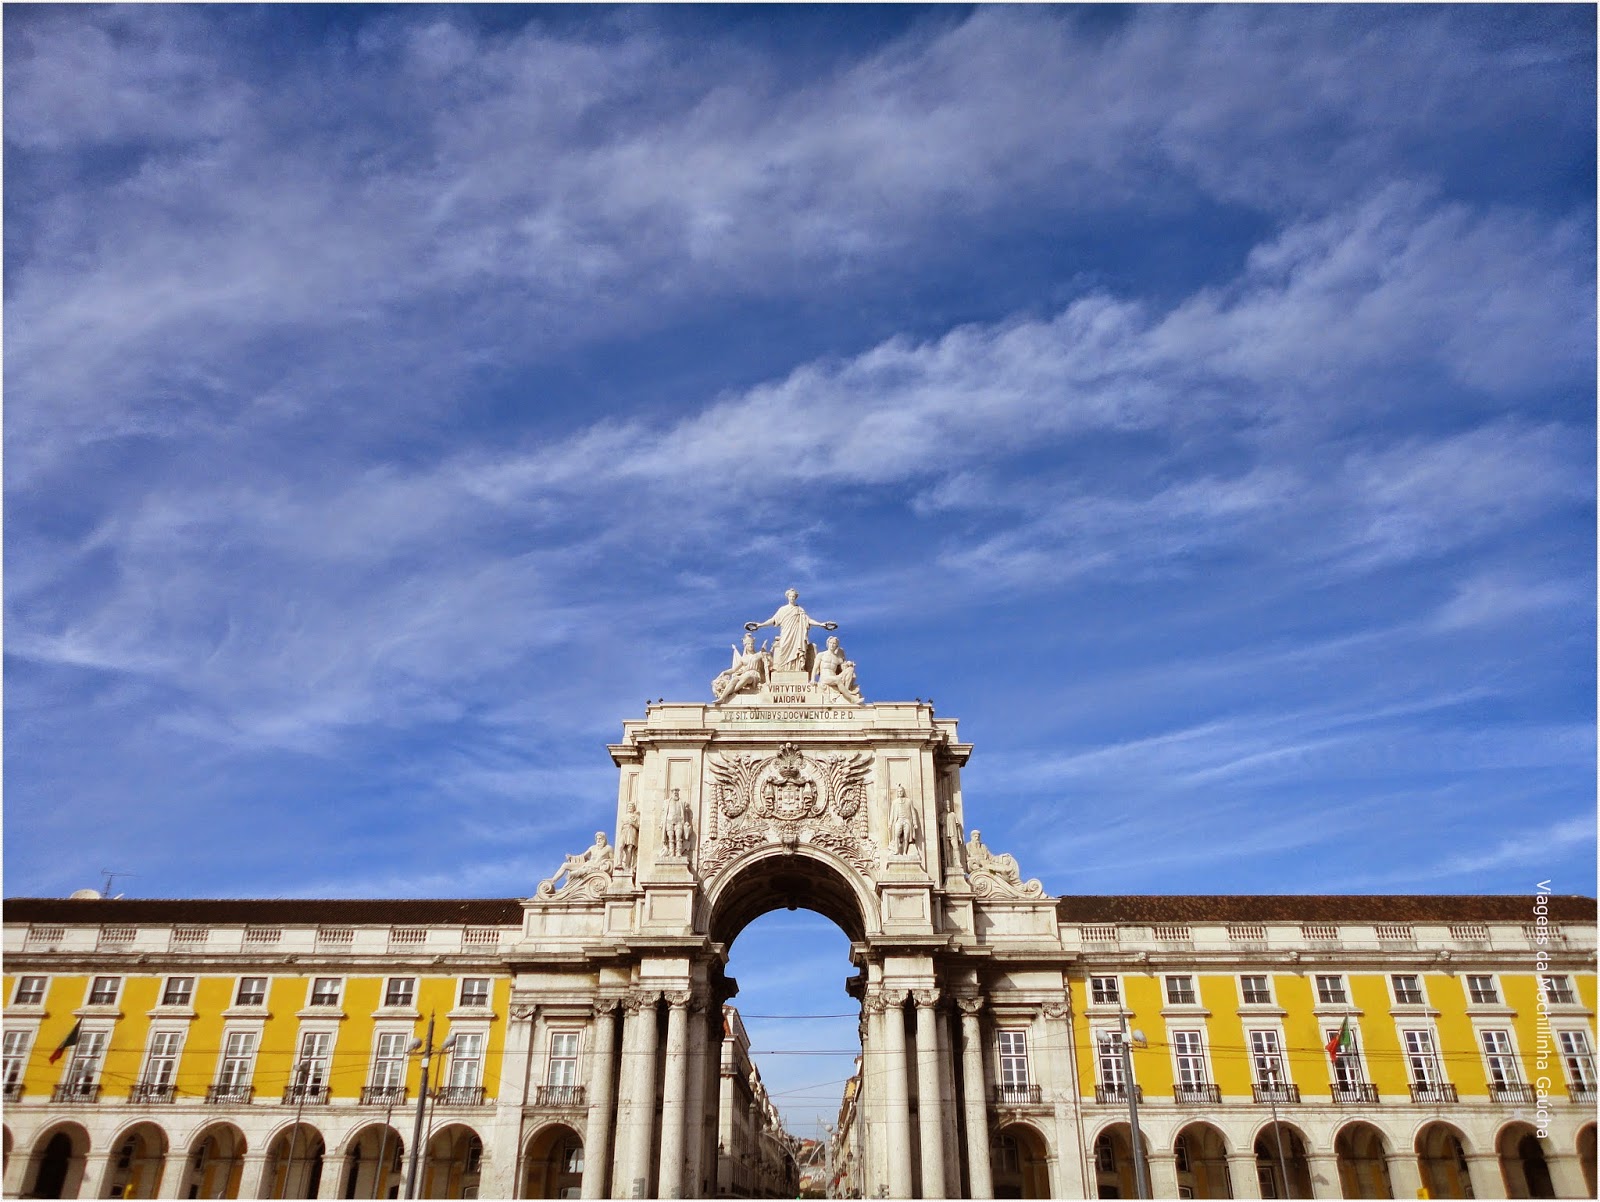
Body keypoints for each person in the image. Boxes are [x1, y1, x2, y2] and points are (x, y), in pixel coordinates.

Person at [746, 588, 836, 674]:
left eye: (793, 596)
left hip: (797, 635)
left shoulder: (799, 610)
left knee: (797, 650)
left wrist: (820, 624)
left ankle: (797, 669)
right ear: (787, 597)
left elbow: (808, 620)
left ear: (795, 597)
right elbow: (773, 620)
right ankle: (782, 669)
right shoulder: (783, 609)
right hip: (786, 633)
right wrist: (760, 625)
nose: (792, 598)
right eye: (790, 596)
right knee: (783, 649)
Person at [712, 633, 771, 703]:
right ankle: (722, 698)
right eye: (748, 644)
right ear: (745, 646)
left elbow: (768, 660)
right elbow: (734, 670)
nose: (751, 645)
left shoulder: (758, 655)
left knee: (747, 677)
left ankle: (730, 692)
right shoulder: (743, 659)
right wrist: (724, 672)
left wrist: (766, 655)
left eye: (752, 644)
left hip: (755, 676)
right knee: (734, 679)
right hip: (745, 675)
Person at [812, 636, 862, 703]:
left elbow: (843, 669)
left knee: (850, 670)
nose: (832, 645)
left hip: (834, 677)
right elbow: (815, 668)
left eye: (834, 643)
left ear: (836, 646)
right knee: (837, 680)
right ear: (827, 643)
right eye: (830, 643)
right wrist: (812, 679)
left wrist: (849, 664)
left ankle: (846, 690)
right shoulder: (821, 655)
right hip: (825, 678)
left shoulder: (838, 658)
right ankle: (852, 699)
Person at [888, 785, 918, 856]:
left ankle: (905, 852)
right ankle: (897, 850)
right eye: (898, 791)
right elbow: (892, 813)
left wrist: (915, 823)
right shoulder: (894, 802)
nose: (900, 792)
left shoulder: (909, 801)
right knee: (896, 835)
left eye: (901, 791)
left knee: (906, 837)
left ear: (903, 792)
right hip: (898, 820)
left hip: (907, 821)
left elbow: (913, 813)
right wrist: (890, 823)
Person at [617, 803, 639, 871]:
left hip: (631, 831)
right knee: (620, 847)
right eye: (628, 806)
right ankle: (619, 863)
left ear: (633, 808)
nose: (629, 808)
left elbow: (638, 826)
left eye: (631, 806)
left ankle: (627, 865)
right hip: (624, 831)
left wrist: (632, 823)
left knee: (629, 849)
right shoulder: (624, 817)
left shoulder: (636, 817)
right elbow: (620, 827)